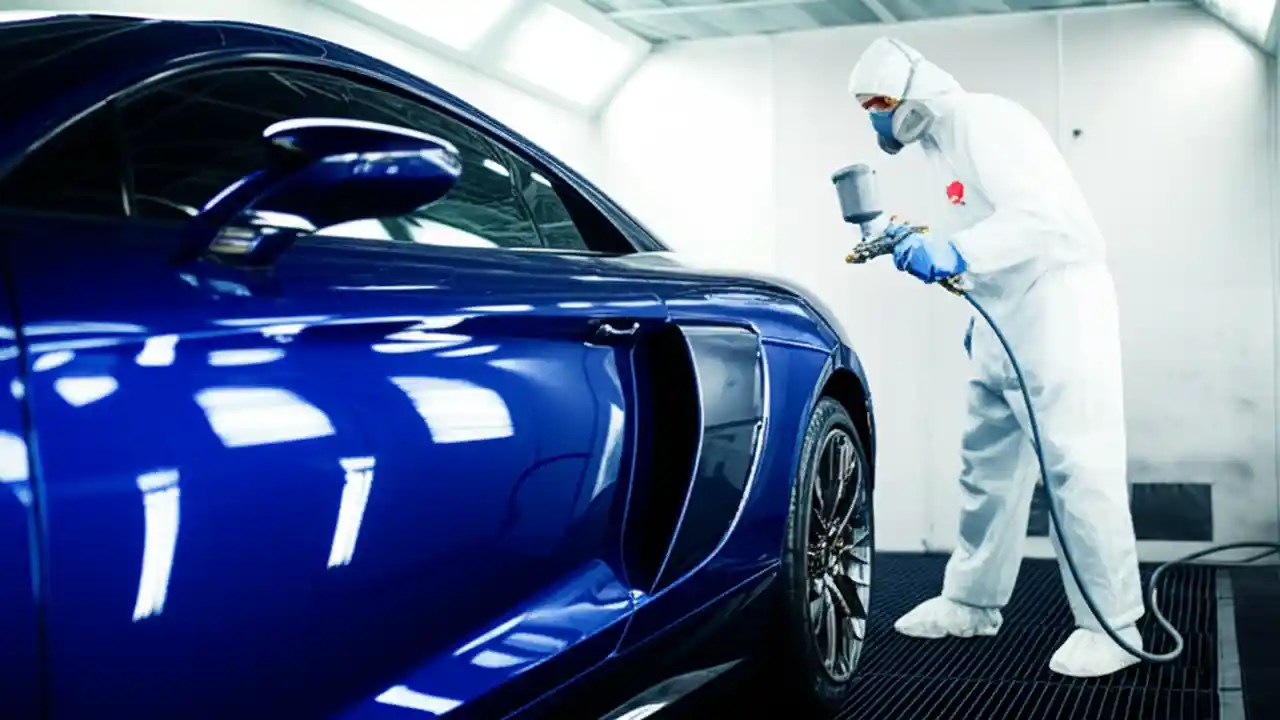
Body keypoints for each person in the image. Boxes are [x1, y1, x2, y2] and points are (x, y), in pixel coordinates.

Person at [846, 37, 1145, 678]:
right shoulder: (939, 144)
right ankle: (971, 601)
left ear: (908, 97)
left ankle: (1112, 627)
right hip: (1003, 316)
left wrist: (957, 256)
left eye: (875, 103)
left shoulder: (985, 118)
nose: (873, 117)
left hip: (1058, 311)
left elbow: (1044, 219)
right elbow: (990, 223)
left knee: (1077, 467)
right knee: (987, 467)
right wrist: (976, 302)